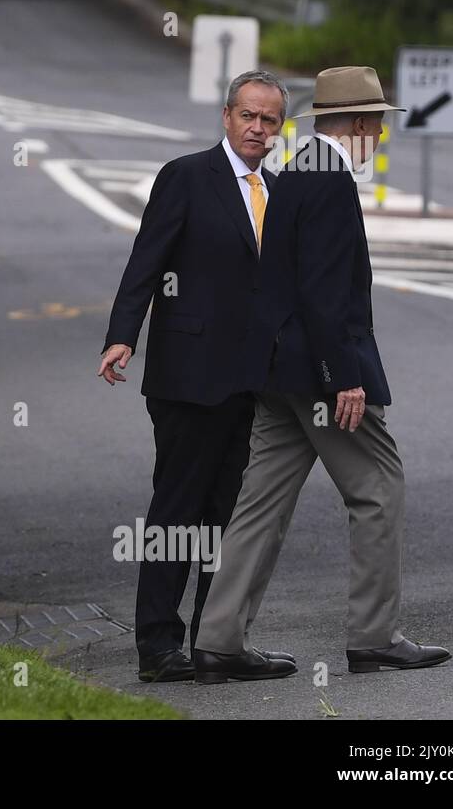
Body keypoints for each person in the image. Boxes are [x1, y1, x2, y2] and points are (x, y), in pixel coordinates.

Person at [193, 66, 451, 683]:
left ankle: (218, 641)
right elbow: (324, 289)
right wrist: (344, 377)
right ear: (361, 124)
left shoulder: (296, 170)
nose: (381, 137)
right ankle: (374, 636)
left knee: (259, 504)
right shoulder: (331, 179)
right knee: (379, 487)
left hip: (278, 370)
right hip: (318, 372)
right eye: (379, 125)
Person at [97, 69, 295, 682]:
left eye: (269, 120)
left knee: (230, 517)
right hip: (187, 378)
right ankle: (158, 646)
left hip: (252, 384)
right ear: (227, 116)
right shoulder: (187, 177)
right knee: (177, 512)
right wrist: (122, 336)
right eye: (248, 116)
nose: (258, 128)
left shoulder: (279, 193)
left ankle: (216, 642)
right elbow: (147, 260)